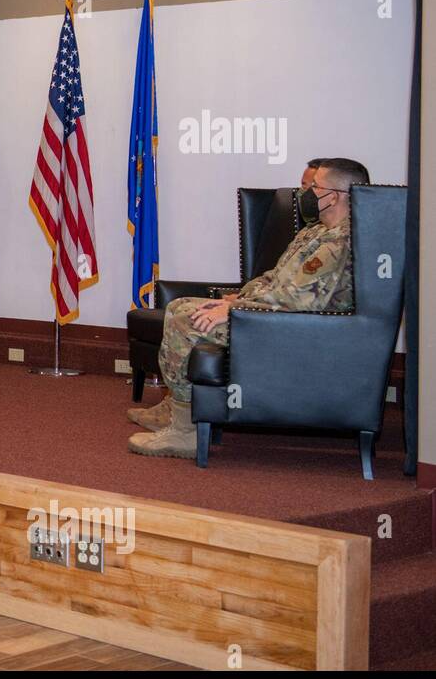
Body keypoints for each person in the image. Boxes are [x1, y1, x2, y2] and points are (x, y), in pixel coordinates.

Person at [128, 158, 371, 458]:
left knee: (184, 321)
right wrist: (233, 299)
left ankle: (185, 432)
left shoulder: (340, 240)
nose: (303, 194)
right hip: (271, 316)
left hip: (295, 330)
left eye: (313, 187)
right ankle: (178, 410)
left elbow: (294, 300)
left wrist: (234, 310)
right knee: (181, 306)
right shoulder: (316, 232)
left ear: (333, 195)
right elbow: (274, 278)